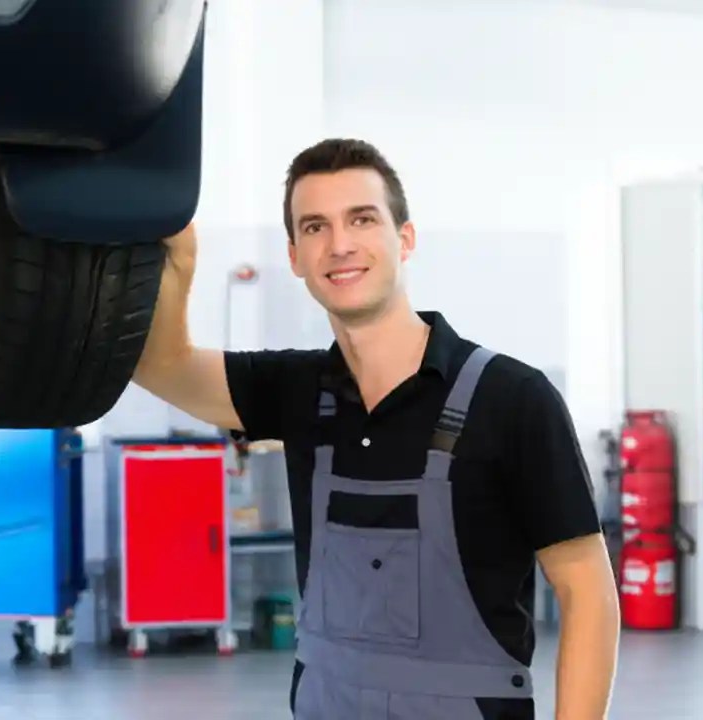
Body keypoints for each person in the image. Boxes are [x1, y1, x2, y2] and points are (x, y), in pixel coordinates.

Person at [131, 138, 621, 720]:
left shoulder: (513, 398)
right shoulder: (297, 388)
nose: (339, 245)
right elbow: (163, 367)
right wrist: (179, 263)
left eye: (361, 219)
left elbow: (587, 591)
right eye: (315, 227)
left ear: (404, 239)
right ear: (294, 256)